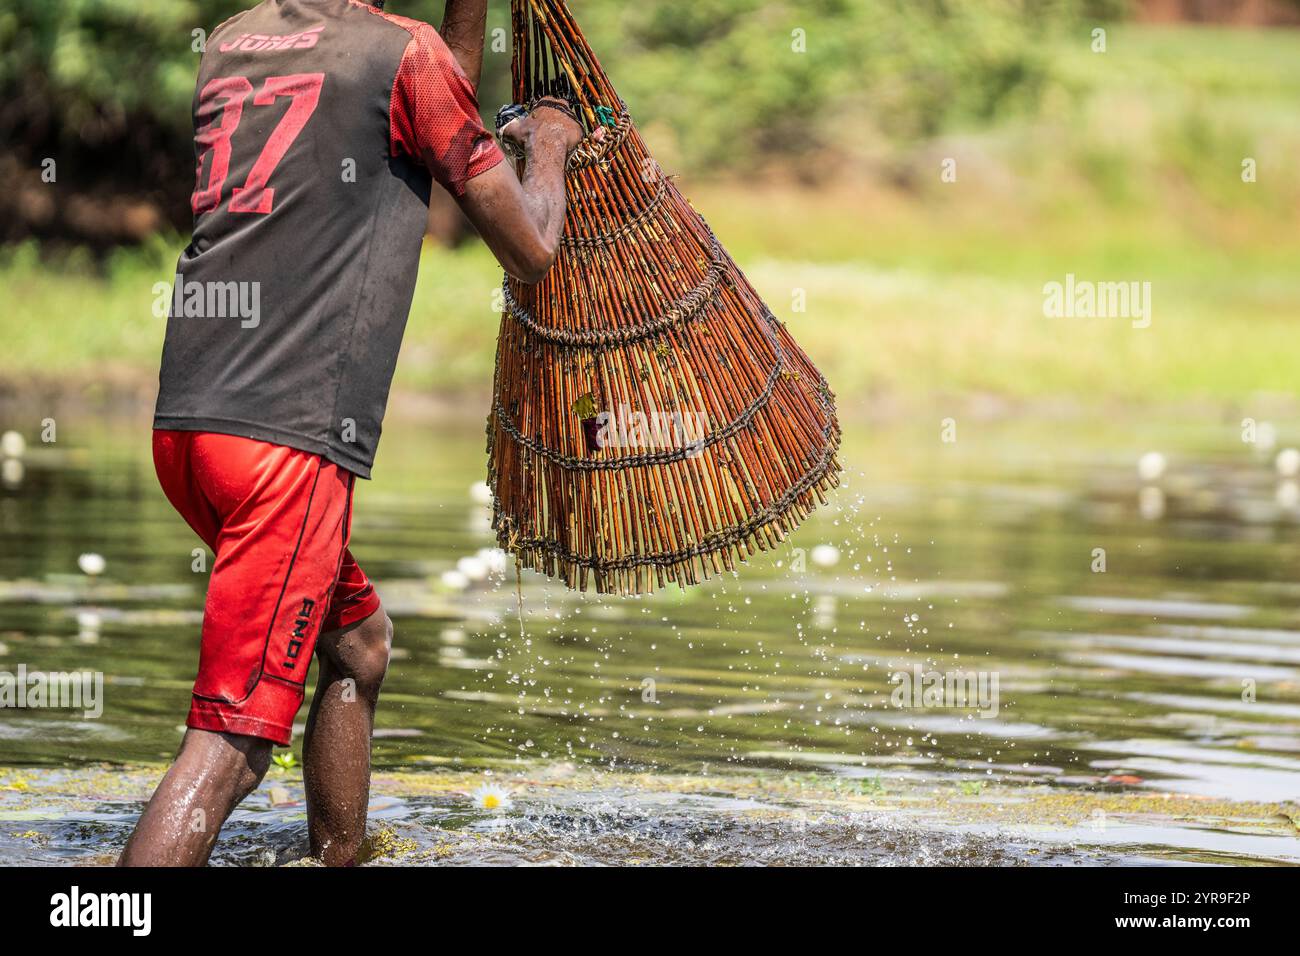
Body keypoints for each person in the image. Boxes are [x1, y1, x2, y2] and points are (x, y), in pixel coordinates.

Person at [120, 0, 585, 866]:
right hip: (286, 444)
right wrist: (549, 141)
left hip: (191, 427)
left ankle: (339, 859)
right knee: (230, 746)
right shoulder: (405, 57)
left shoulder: (235, 40)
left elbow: (424, 104)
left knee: (358, 646)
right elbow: (531, 249)